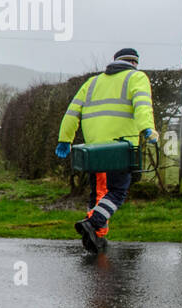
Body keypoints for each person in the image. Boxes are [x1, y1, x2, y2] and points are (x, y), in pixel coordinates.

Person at [55, 47, 158, 253]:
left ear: (114, 61)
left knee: (98, 192)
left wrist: (64, 139)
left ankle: (97, 237)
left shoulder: (92, 82)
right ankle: (93, 223)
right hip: (120, 147)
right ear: (135, 62)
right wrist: (147, 128)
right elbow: (142, 105)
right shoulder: (137, 77)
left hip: (94, 149)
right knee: (117, 191)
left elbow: (71, 112)